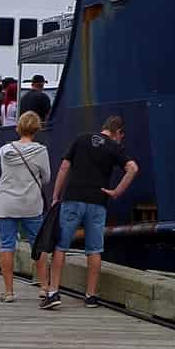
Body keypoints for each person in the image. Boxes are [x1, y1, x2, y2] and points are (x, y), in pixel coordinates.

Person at [43, 115, 138, 310]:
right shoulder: (114, 147)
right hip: (98, 202)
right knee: (94, 249)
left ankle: (53, 292)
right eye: (121, 136)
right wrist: (116, 192)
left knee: (61, 246)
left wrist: (55, 196)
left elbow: (64, 166)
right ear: (118, 132)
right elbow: (132, 168)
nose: (120, 140)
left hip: (73, 198)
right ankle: (91, 296)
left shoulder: (81, 139)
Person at [0, 111, 52, 303]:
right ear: (37, 129)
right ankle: (44, 287)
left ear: (19, 127)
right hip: (31, 204)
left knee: (7, 246)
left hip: (6, 204)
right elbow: (47, 178)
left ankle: (9, 292)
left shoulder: (5, 150)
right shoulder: (41, 151)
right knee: (38, 245)